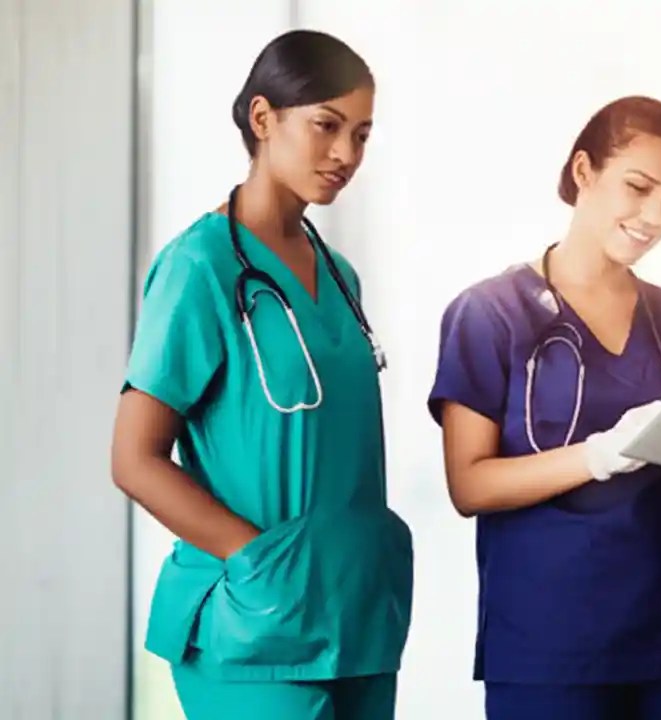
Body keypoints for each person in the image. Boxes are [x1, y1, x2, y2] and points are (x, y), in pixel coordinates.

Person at [110, 30, 412, 720]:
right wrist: (256, 560)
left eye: (362, 135)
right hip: (255, 627)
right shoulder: (200, 268)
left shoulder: (340, 276)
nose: (346, 154)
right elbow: (133, 459)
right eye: (326, 125)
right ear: (263, 118)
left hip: (357, 619)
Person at [428, 95, 661, 720]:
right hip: (549, 644)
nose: (655, 216)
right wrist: (599, 455)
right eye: (638, 187)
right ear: (584, 171)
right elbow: (469, 485)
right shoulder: (490, 314)